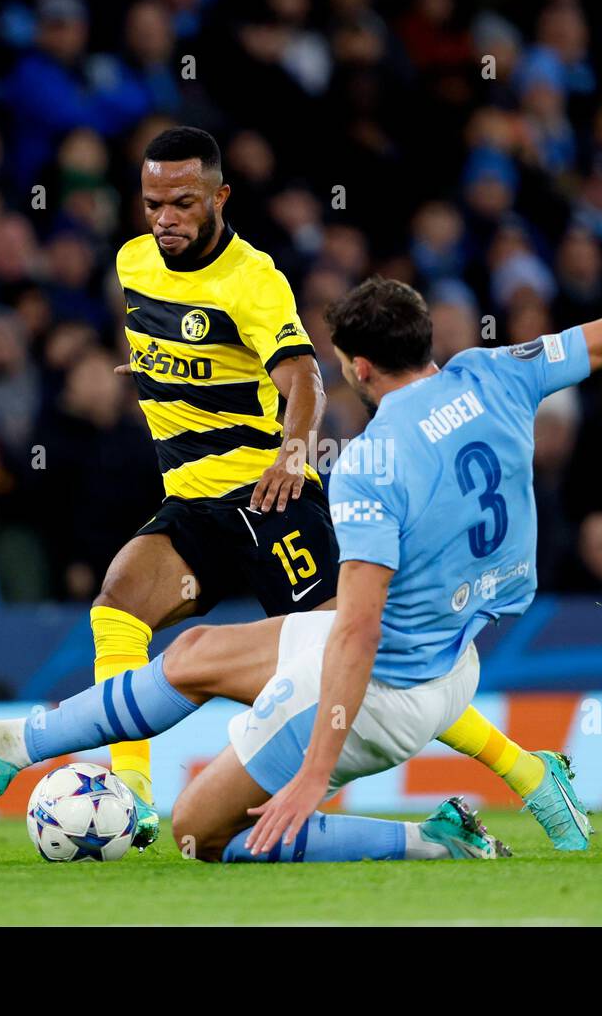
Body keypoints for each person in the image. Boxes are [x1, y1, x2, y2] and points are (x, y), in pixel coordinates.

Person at [0, 217, 602, 862]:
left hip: (391, 689)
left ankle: (432, 841)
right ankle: (6, 743)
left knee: (197, 834)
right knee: (198, 652)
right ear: (427, 341)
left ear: (351, 365)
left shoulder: (374, 466)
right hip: (449, 654)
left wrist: (310, 775)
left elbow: (353, 634)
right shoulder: (495, 375)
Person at [72, 125, 551, 851]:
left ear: (219, 197)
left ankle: (529, 775)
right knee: (118, 603)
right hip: (192, 500)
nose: (165, 217)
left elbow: (300, 377)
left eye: (182, 202)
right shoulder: (133, 263)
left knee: (361, 656)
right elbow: (181, 348)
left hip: (269, 500)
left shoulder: (254, 279)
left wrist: (293, 454)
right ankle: (132, 798)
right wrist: (154, 373)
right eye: (152, 203)